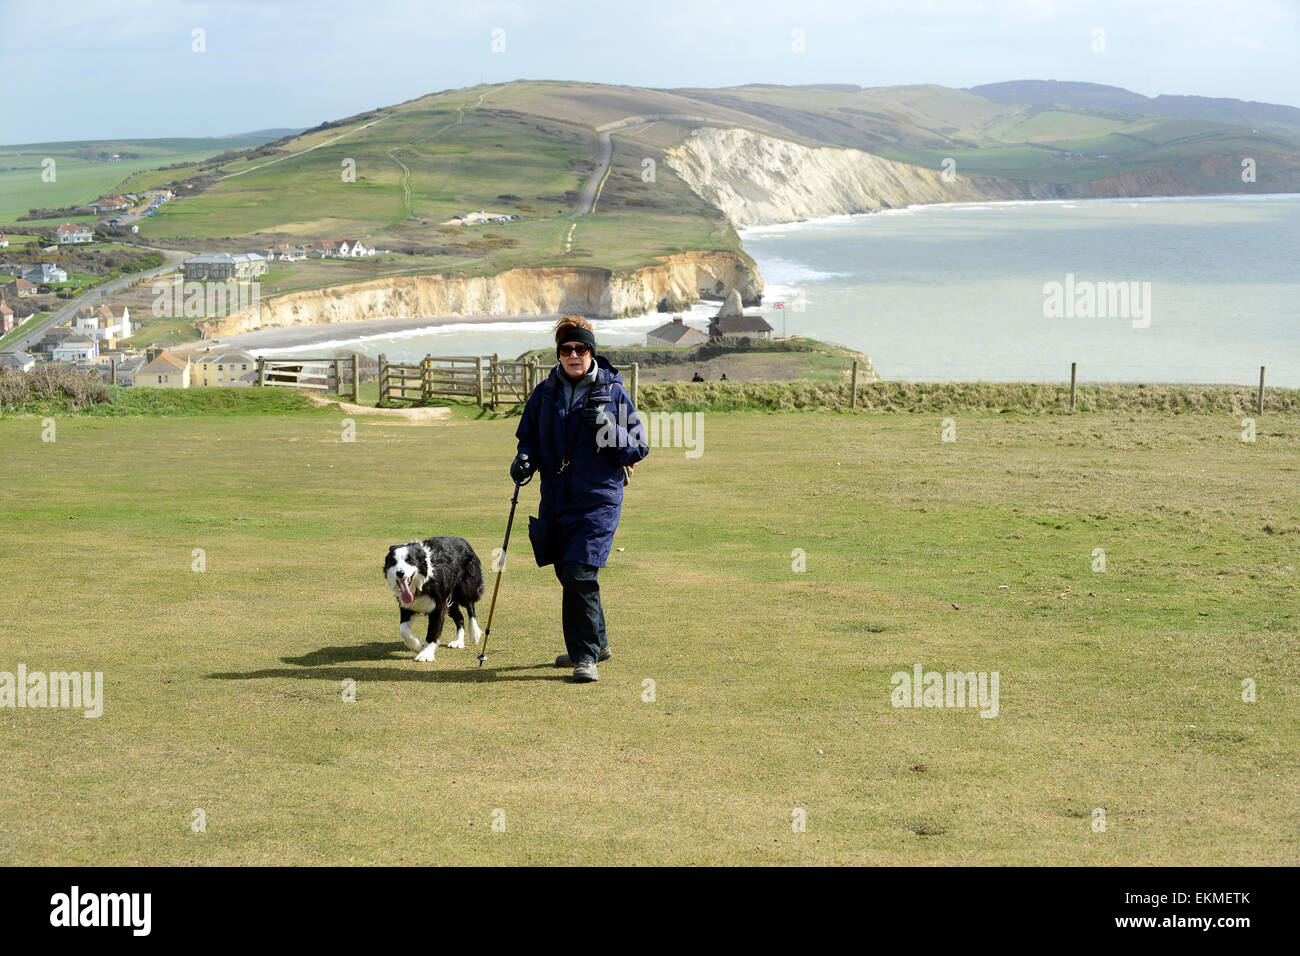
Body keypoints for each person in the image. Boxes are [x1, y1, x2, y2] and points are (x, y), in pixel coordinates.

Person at [510, 315, 649, 683]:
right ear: (559, 353)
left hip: (598, 499)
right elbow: (529, 438)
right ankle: (598, 643)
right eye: (566, 349)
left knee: (579, 572)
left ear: (592, 351)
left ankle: (584, 656)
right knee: (568, 572)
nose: (574, 355)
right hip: (556, 498)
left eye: (581, 348)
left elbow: (637, 447)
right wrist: (524, 459)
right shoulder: (544, 393)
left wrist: (607, 425)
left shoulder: (612, 393)